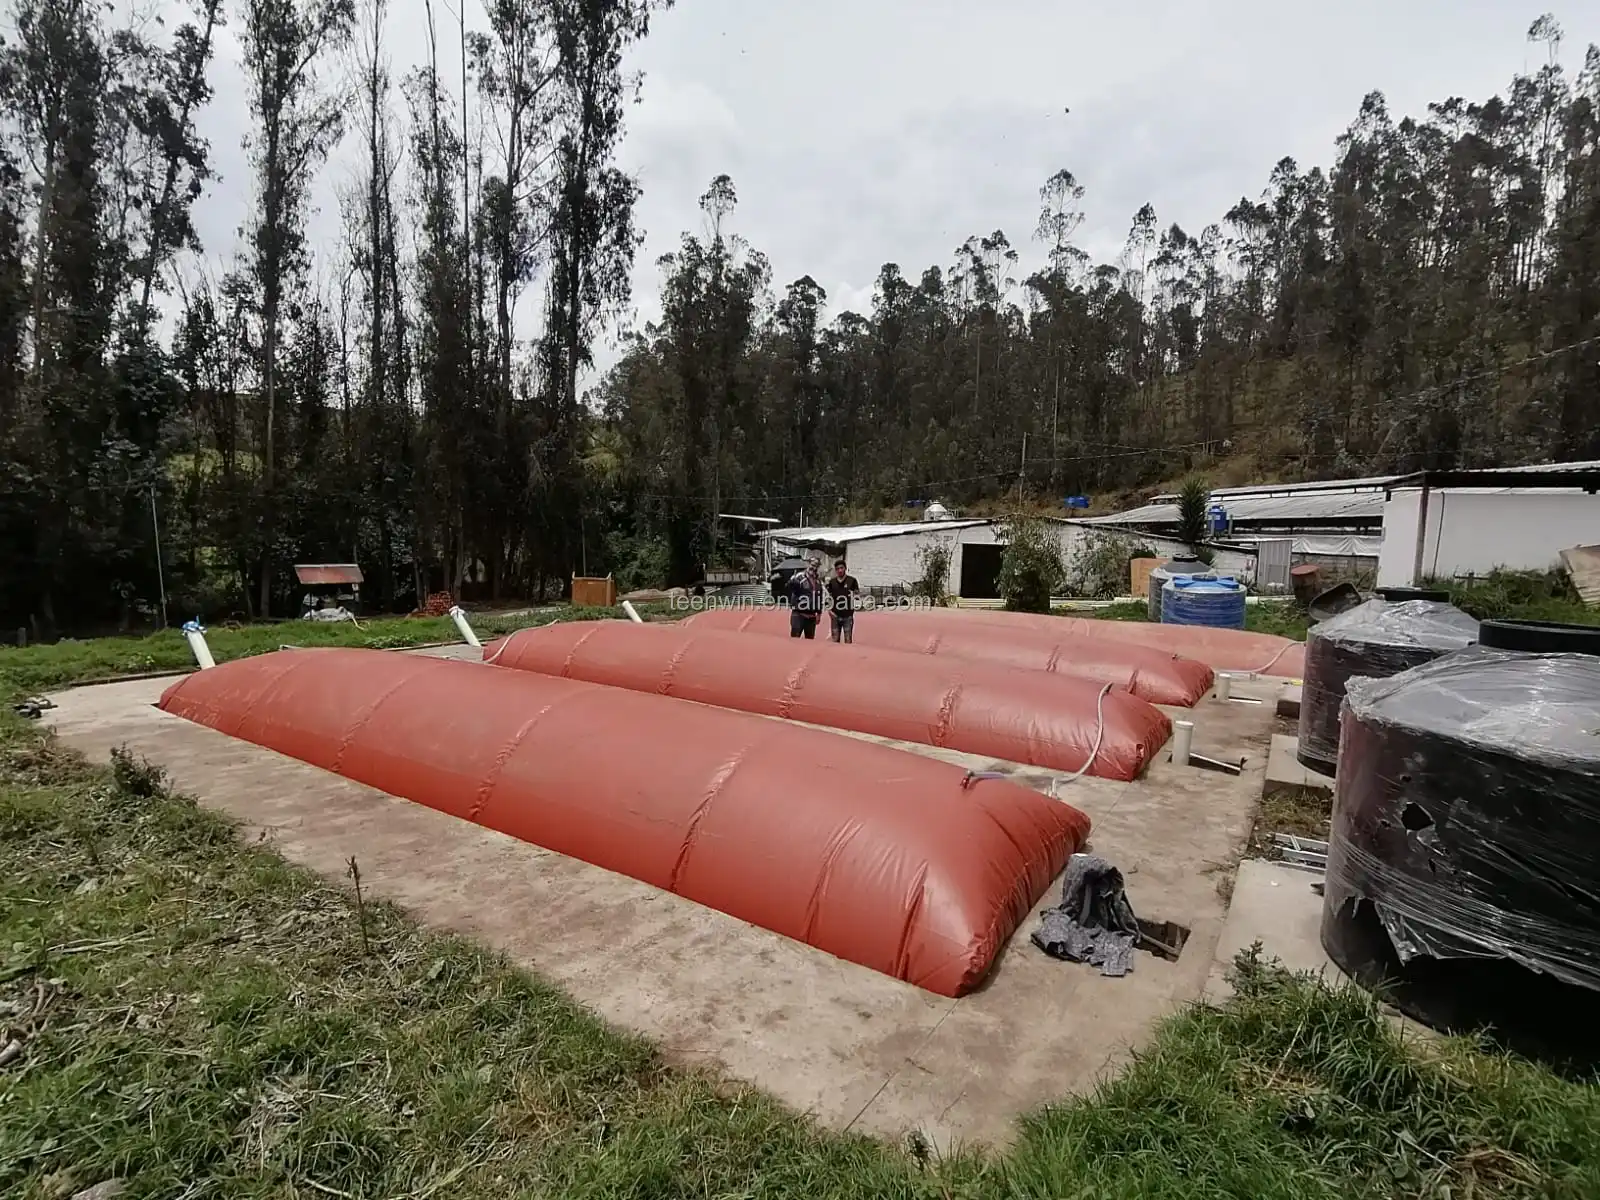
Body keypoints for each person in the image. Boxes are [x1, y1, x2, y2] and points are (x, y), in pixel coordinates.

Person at [787, 558, 824, 638]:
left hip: (811, 617)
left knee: (809, 642)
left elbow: (819, 598)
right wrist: (792, 582)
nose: (814, 568)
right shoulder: (799, 577)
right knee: (795, 640)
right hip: (798, 615)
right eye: (812, 565)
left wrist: (819, 614)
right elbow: (790, 588)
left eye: (816, 566)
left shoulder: (818, 581)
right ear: (808, 564)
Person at [826, 558, 860, 643]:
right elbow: (828, 597)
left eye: (841, 568)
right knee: (834, 641)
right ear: (835, 570)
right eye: (837, 569)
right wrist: (829, 610)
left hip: (847, 616)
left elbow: (857, 595)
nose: (840, 570)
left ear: (845, 568)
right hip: (835, 615)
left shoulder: (852, 580)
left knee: (848, 641)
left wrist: (855, 597)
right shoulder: (832, 582)